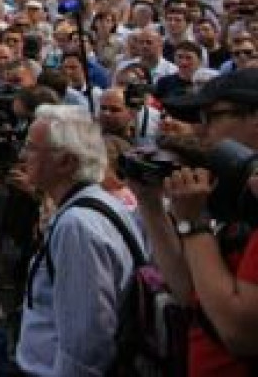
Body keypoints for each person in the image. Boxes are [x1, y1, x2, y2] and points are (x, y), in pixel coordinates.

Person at [130, 69, 258, 373]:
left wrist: (195, 223)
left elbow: (240, 334)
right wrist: (150, 203)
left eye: (212, 117)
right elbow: (190, 292)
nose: (200, 130)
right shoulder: (239, 197)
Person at [16, 105, 145, 375]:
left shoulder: (77, 226)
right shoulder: (97, 205)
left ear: (66, 162)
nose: (21, 155)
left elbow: (85, 344)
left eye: (30, 147)